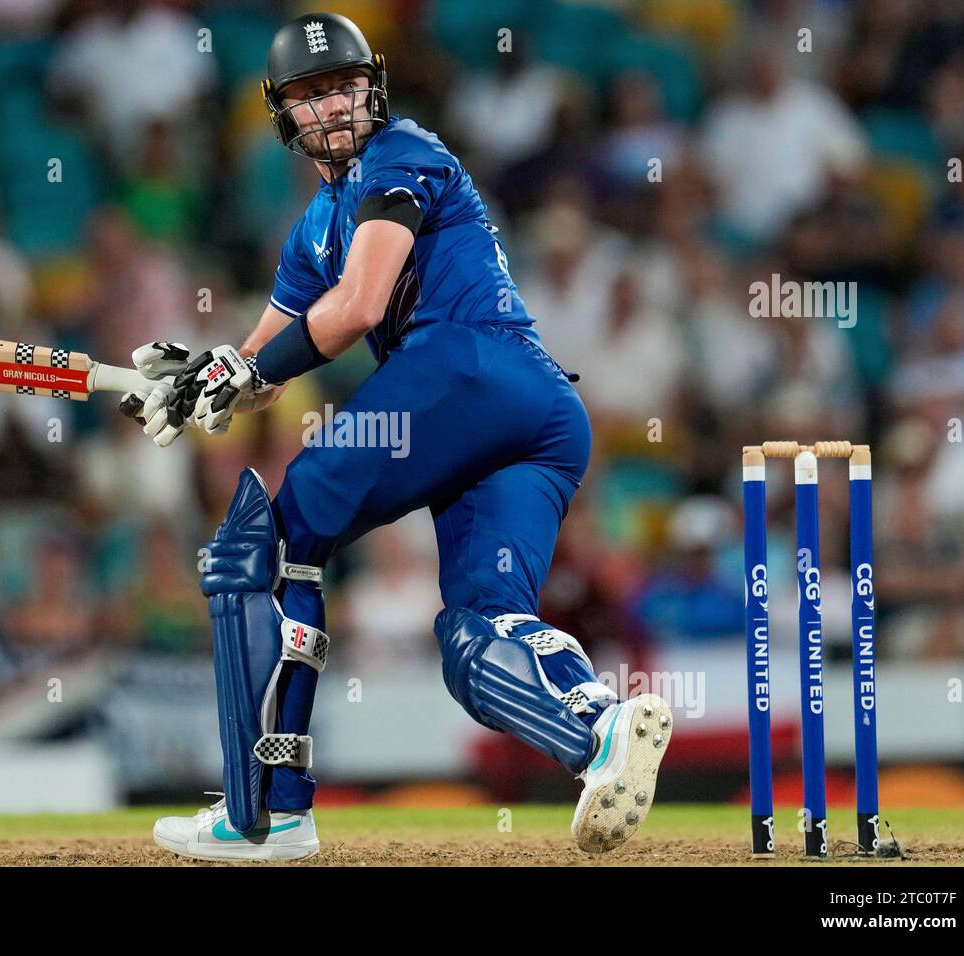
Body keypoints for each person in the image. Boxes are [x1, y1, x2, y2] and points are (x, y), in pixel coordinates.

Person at [122, 12, 672, 862]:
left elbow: (358, 310)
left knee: (268, 537)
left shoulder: (402, 153)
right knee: (473, 633)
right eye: (310, 94)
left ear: (372, 87)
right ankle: (600, 728)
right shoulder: (311, 233)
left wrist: (236, 375)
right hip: (536, 417)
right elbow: (265, 357)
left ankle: (265, 811)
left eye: (341, 84)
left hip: (469, 365)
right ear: (283, 115)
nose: (332, 105)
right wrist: (202, 383)